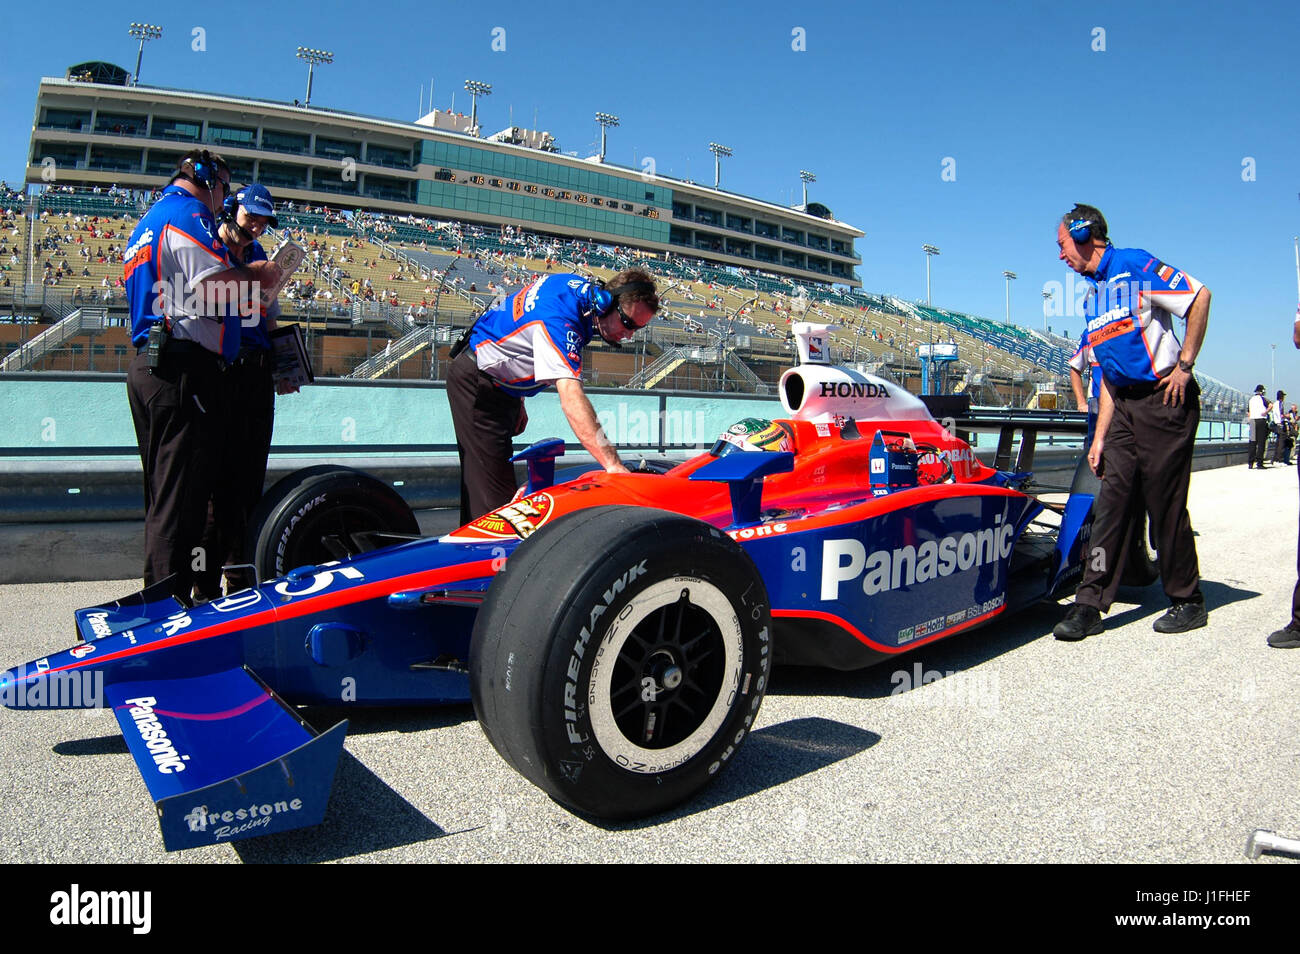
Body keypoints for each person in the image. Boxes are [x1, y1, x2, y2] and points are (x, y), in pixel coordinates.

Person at [124, 150, 280, 601]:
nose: (223, 198)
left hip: (152, 364)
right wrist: (260, 274)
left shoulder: (147, 220)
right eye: (225, 188)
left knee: (165, 499)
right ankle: (166, 616)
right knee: (181, 505)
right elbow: (213, 284)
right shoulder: (188, 212)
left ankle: (167, 602)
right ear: (210, 180)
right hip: (182, 369)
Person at [1051, 203, 1210, 639]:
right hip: (1120, 406)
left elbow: (1199, 297)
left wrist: (1185, 364)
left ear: (1085, 235)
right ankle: (1089, 603)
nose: (1061, 256)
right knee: (1111, 504)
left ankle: (1187, 599)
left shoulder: (1135, 264)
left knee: (1165, 503)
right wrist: (1099, 438)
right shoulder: (1091, 298)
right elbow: (1107, 377)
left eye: (1063, 244)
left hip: (1164, 399)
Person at [447, 268, 660, 524]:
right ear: (605, 303)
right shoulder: (561, 321)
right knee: (496, 512)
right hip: (479, 385)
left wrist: (518, 397)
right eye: (628, 323)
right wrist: (613, 465)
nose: (629, 335)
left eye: (638, 328)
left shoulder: (575, 288)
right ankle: (482, 561)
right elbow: (571, 398)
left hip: (498, 383)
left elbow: (521, 334)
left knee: (481, 485)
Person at [194, 184, 295, 598]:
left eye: (264, 220)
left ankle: (239, 582)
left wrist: (284, 366)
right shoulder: (209, 252)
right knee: (212, 488)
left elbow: (270, 318)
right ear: (232, 209)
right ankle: (202, 583)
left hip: (255, 375)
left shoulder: (259, 258)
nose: (256, 225)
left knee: (248, 485)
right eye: (251, 215)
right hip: (217, 373)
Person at [1247, 385, 1270, 469]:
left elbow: (1248, 412)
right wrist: (1265, 412)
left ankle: (1250, 462)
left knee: (1252, 442)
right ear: (1262, 391)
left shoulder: (1251, 399)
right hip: (1261, 420)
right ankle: (1259, 463)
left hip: (1252, 421)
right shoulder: (1263, 399)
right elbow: (1271, 405)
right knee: (1261, 443)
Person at [1271, 389, 1289, 465]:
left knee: (1278, 443)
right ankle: (1278, 459)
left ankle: (1275, 459)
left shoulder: (1275, 403)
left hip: (1276, 425)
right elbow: (1281, 414)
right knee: (1281, 443)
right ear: (1282, 397)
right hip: (1280, 424)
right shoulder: (1280, 404)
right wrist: (1286, 416)